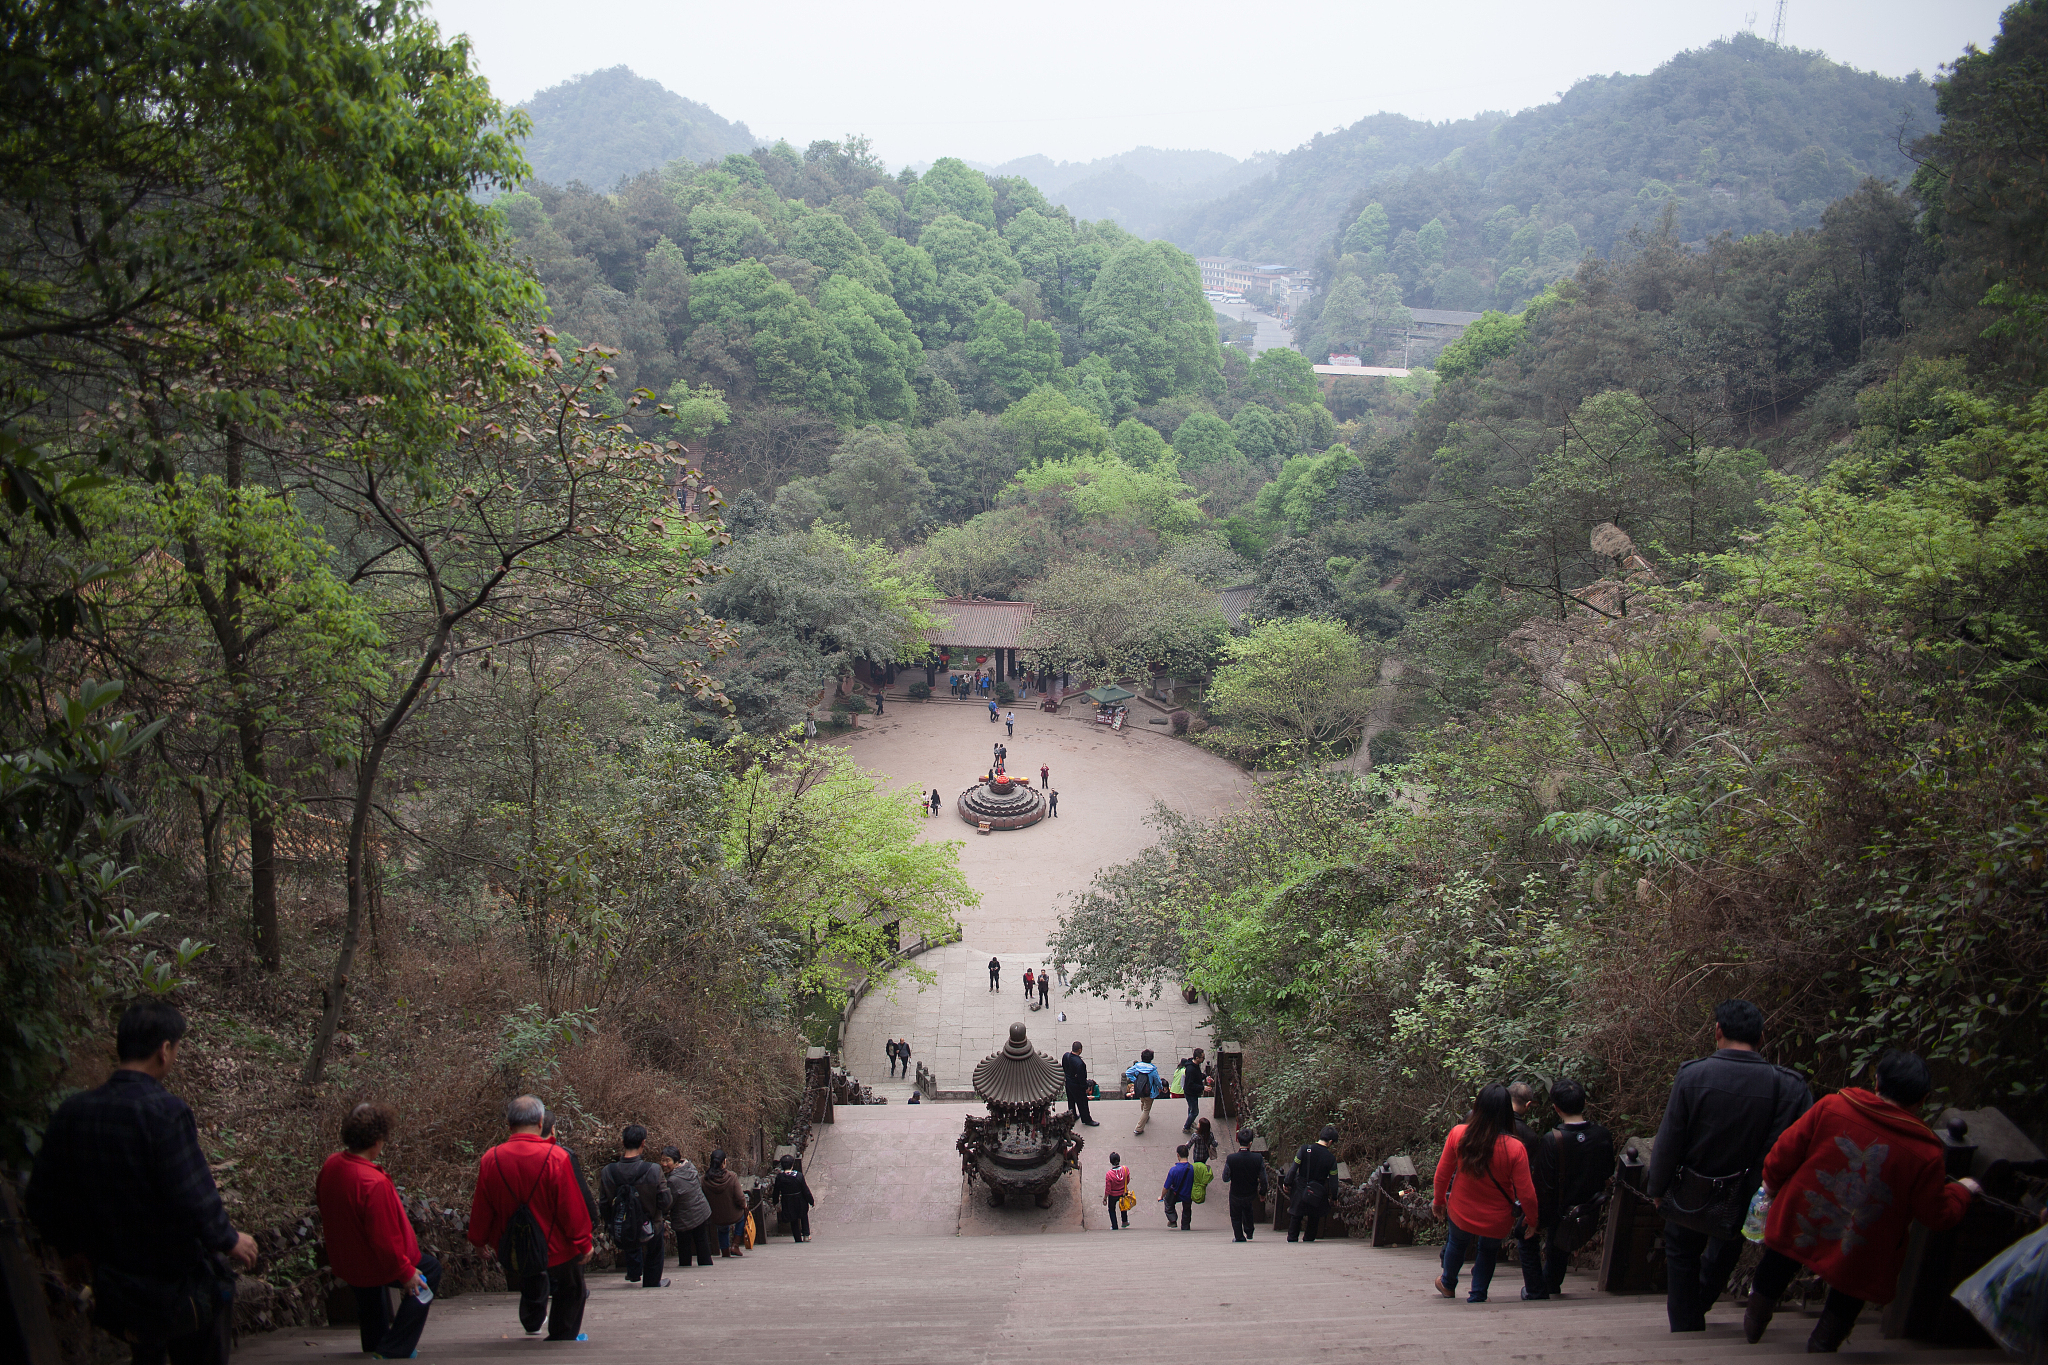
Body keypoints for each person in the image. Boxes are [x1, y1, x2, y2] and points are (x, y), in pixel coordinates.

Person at [26, 1001, 260, 1365]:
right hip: (173, 1281)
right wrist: (231, 1240)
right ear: (164, 1050)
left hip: (115, 1280)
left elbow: (41, 1196)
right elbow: (192, 1193)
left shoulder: (73, 1112)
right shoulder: (164, 1112)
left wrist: (72, 1250)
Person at [1745, 1050, 1981, 1353]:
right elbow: (1936, 1213)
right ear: (1922, 1100)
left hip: (1804, 1212)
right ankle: (1822, 1347)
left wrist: (1772, 1184)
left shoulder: (1834, 1107)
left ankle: (1754, 1325)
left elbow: (1785, 1151)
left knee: (1779, 1261)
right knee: (1851, 1285)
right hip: (1864, 1238)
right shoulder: (1925, 1153)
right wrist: (1963, 1191)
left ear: (1877, 1084)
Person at [1647, 998, 1813, 1333]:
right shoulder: (1790, 1086)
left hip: (1693, 1189)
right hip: (1750, 1197)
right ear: (1762, 1037)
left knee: (1681, 1252)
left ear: (1718, 1030)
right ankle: (1696, 1311)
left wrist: (1657, 1187)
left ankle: (1686, 1325)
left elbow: (1671, 1137)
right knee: (1726, 1249)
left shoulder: (1693, 1075)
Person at [316, 1103, 441, 1360]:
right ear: (377, 1140)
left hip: (346, 1259)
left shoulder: (332, 1165)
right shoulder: (372, 1183)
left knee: (369, 1295)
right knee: (429, 1271)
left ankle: (374, 1342)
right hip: (375, 1261)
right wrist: (406, 1273)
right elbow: (385, 1239)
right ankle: (396, 1347)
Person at [467, 1094, 593, 1341]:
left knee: (530, 1276)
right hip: (555, 1245)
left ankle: (532, 1322)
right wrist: (583, 1241)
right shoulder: (556, 1157)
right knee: (572, 1286)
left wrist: (478, 1240)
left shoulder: (491, 1159)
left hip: (513, 1244)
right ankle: (561, 1336)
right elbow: (570, 1206)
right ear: (540, 1122)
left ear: (509, 1125)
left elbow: (483, 1206)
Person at [1430, 1084, 1538, 1303]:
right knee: (1488, 1252)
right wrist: (1532, 1219)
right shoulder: (1516, 1148)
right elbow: (1526, 1193)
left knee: (1456, 1244)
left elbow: (1442, 1174)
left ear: (1477, 1107)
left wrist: (1439, 1200)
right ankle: (1478, 1293)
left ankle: (1448, 1283)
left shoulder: (1459, 1134)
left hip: (1462, 1210)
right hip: (1497, 1217)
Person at [1527, 1078, 1614, 1299]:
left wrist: (1537, 1220)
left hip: (1560, 1212)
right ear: (1584, 1103)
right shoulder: (1602, 1135)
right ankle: (1550, 1283)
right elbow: (1607, 1171)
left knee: (1540, 1240)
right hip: (1589, 1208)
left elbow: (1544, 1186)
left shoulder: (1552, 1140)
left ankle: (1542, 1287)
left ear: (1555, 1107)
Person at [599, 1124, 671, 1288]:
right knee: (655, 1230)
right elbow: (665, 1201)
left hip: (622, 1229)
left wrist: (611, 1221)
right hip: (650, 1228)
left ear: (623, 1143)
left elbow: (604, 1204)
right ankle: (652, 1280)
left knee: (628, 1222)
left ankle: (633, 1272)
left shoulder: (608, 1172)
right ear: (643, 1143)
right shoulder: (653, 1170)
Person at [540, 1109, 600, 1230]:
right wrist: (593, 1218)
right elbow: (581, 1190)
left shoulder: (518, 1156)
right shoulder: (563, 1156)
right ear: (553, 1129)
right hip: (559, 1226)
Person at [659, 1146, 716, 1270]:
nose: (664, 1164)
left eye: (667, 1160)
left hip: (686, 1217)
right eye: (662, 1160)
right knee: (702, 1241)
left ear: (675, 1161)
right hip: (701, 1210)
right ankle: (706, 1267)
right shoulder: (690, 1167)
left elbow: (669, 1202)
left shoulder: (673, 1180)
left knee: (684, 1244)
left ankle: (685, 1267)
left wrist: (660, 1211)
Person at [1286, 1125, 1342, 1243]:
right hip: (1317, 1192)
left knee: (1296, 1216)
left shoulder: (1304, 1149)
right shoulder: (1331, 1159)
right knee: (1314, 1218)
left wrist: (1287, 1183)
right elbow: (1333, 1181)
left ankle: (1292, 1240)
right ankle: (1308, 1240)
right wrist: (1334, 1196)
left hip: (1301, 1188)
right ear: (1330, 1142)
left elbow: (1293, 1169)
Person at [1222, 1129, 1268, 1243]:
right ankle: (1249, 1230)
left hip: (1236, 1192)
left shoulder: (1231, 1158)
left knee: (1235, 1215)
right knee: (1248, 1210)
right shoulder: (1257, 1158)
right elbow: (1263, 1178)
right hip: (1250, 1192)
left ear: (1238, 1141)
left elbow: (1225, 1177)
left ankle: (1239, 1236)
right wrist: (1263, 1192)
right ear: (1250, 1143)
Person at [703, 1149, 749, 1258]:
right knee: (742, 1215)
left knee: (722, 1227)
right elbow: (740, 1198)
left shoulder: (704, 1179)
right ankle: (735, 1245)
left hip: (714, 1216)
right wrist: (744, 1206)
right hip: (732, 1215)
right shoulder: (731, 1177)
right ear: (724, 1162)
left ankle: (725, 1251)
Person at [771, 1155, 816, 1242]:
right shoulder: (799, 1176)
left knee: (793, 1220)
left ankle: (797, 1238)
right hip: (800, 1201)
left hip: (787, 1202)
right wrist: (811, 1201)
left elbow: (776, 1191)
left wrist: (775, 1201)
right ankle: (806, 1234)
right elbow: (805, 1190)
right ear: (792, 1165)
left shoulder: (780, 1178)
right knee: (803, 1216)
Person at [1125, 1050, 1164, 1135]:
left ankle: (1144, 1117)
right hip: (1150, 1092)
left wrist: (1136, 1081)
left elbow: (1128, 1073)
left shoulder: (1137, 1066)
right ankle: (1139, 1128)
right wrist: (1161, 1088)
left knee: (1142, 1102)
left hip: (1140, 1090)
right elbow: (1157, 1081)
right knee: (1146, 1109)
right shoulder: (1152, 1070)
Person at [1063, 1041, 1099, 1126]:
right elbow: (1082, 1078)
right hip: (1076, 1085)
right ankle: (1086, 1119)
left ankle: (1072, 1116)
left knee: (1071, 1101)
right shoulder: (1080, 1064)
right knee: (1082, 1103)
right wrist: (1085, 1087)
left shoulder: (1066, 1056)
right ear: (1079, 1050)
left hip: (1068, 1082)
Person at [1163, 1145, 1196, 1230]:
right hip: (1188, 1194)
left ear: (1178, 1155)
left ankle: (1173, 1220)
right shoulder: (1192, 1168)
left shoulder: (1174, 1170)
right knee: (1187, 1209)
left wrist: (1161, 1196)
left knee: (1168, 1202)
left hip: (1176, 1193)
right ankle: (1185, 1225)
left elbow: (1166, 1186)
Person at [1178, 1048, 1208, 1134]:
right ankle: (1186, 1127)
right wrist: (1203, 1088)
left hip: (1191, 1093)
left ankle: (1190, 1122)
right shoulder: (1191, 1069)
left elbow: (1198, 1075)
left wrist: (1205, 1077)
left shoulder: (1194, 1066)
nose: (1204, 1059)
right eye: (1202, 1057)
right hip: (1191, 1093)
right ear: (1197, 1058)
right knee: (1195, 1112)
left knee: (1191, 1109)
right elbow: (1190, 1084)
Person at [1103, 1154, 1132, 1230]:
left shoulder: (1109, 1174)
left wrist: (1105, 1197)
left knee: (1112, 1209)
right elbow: (1128, 1180)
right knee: (1123, 1206)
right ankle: (1124, 1221)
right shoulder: (1125, 1169)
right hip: (1123, 1192)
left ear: (1110, 1161)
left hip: (1113, 1194)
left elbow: (1108, 1188)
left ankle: (1114, 1225)